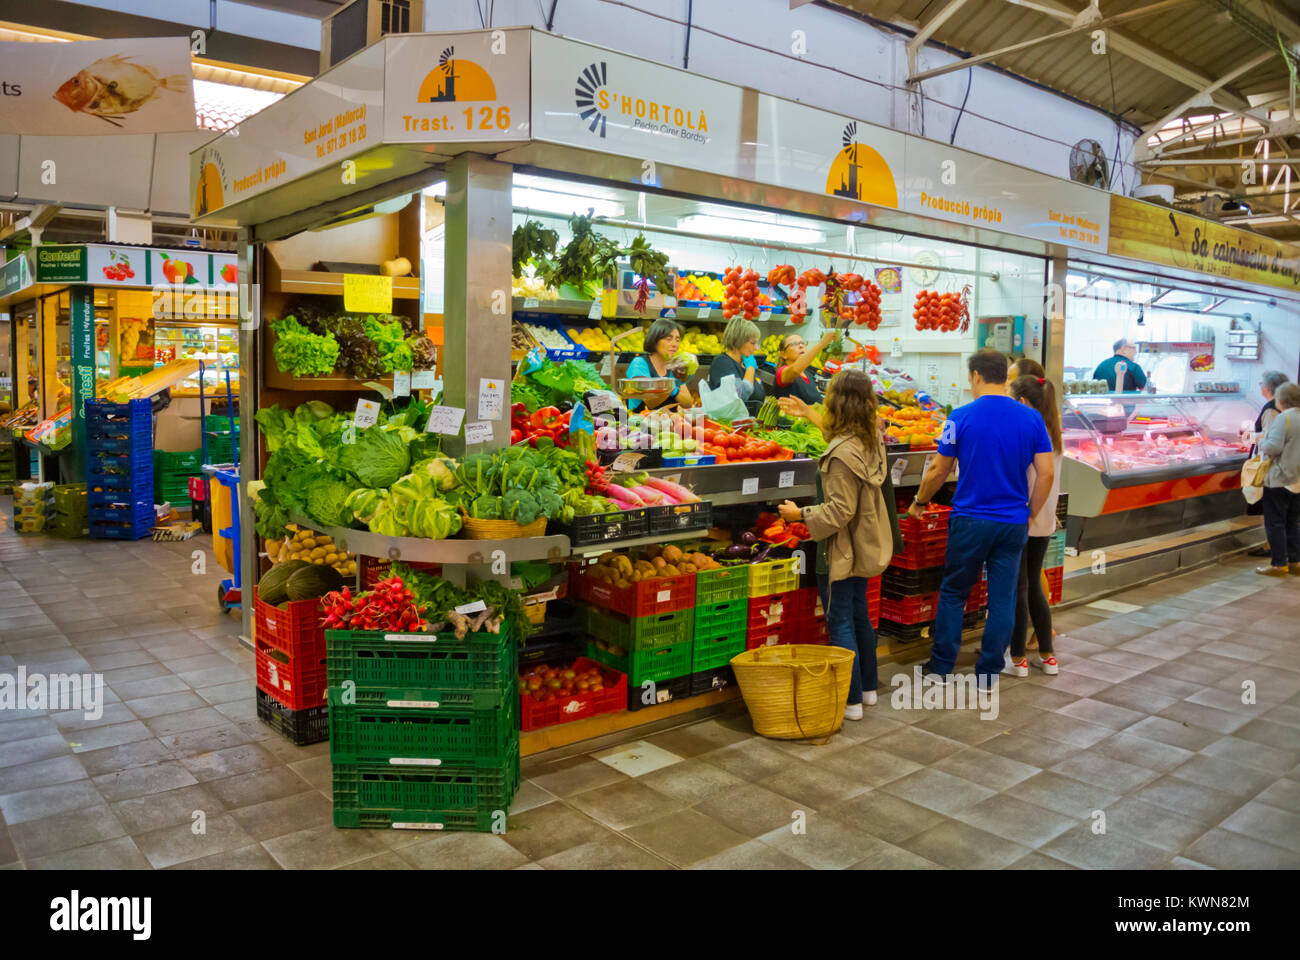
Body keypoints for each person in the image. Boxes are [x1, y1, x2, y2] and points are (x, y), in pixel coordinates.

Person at [907, 349, 1055, 688]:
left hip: (970, 520)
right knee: (1002, 597)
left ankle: (941, 667)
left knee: (955, 593)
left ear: (976, 376)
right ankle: (988, 672)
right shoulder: (1031, 418)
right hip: (1012, 522)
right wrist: (1031, 511)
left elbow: (939, 469)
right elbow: (1045, 473)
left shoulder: (958, 417)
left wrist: (919, 501)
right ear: (1005, 377)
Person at [777, 369, 892, 718]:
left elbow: (839, 510)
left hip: (841, 547)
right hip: (865, 542)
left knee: (839, 619)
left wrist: (800, 515)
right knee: (859, 616)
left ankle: (851, 700)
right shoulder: (871, 437)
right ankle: (868, 689)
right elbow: (840, 438)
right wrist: (809, 414)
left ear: (837, 403)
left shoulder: (841, 455)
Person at [1004, 374, 1063, 677]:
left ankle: (1016, 659)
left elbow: (1042, 476)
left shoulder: (1028, 432)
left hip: (1026, 518)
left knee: (1019, 588)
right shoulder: (1053, 430)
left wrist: (1029, 512)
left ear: (1023, 402)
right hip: (1045, 522)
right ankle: (1047, 656)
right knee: (1032, 589)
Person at [1256, 381, 1300, 577]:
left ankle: (1278, 563)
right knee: (1293, 521)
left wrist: (1260, 441)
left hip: (1281, 477)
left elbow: (1273, 447)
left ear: (1280, 400)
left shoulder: (1285, 418)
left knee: (1275, 522)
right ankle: (1296, 561)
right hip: (1298, 478)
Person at [1247, 371, 1290, 553]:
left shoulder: (1272, 408)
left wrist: (1252, 438)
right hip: (1288, 466)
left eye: (1261, 384)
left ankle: (1273, 549)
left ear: (1267, 387)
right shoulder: (1289, 406)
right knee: (1285, 511)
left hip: (1274, 466)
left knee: (1273, 511)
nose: (1260, 387)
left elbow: (1270, 438)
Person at [626, 318, 694, 411]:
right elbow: (650, 402)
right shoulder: (640, 364)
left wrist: (675, 387)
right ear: (655, 340)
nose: (674, 344)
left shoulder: (674, 367)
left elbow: (688, 403)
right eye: (669, 339)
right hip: (640, 422)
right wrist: (671, 386)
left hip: (669, 423)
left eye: (677, 340)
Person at [708, 317, 764, 408]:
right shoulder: (722, 363)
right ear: (739, 341)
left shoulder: (744, 364)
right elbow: (740, 396)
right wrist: (750, 368)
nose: (756, 348)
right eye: (753, 343)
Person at [773, 330, 838, 404]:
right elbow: (795, 371)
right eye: (793, 344)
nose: (801, 346)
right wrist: (822, 343)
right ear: (783, 354)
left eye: (802, 343)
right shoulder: (782, 372)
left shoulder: (807, 374)